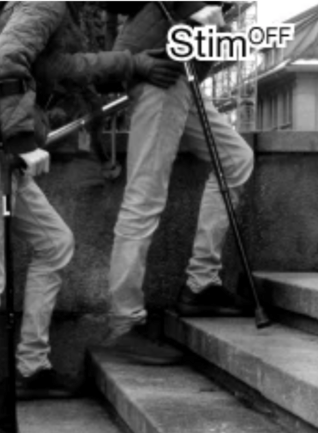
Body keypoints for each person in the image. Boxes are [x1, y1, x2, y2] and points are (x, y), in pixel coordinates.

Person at [0, 1, 184, 433]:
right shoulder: (45, 1)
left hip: (0, 145)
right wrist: (23, 140)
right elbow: (4, 60)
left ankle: (31, 367)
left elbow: (56, 67)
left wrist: (127, 65)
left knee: (55, 243)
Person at [101, 2, 255, 365]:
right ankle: (124, 321)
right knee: (144, 197)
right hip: (162, 73)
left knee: (235, 161)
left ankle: (201, 282)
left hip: (182, 76)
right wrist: (198, 7)